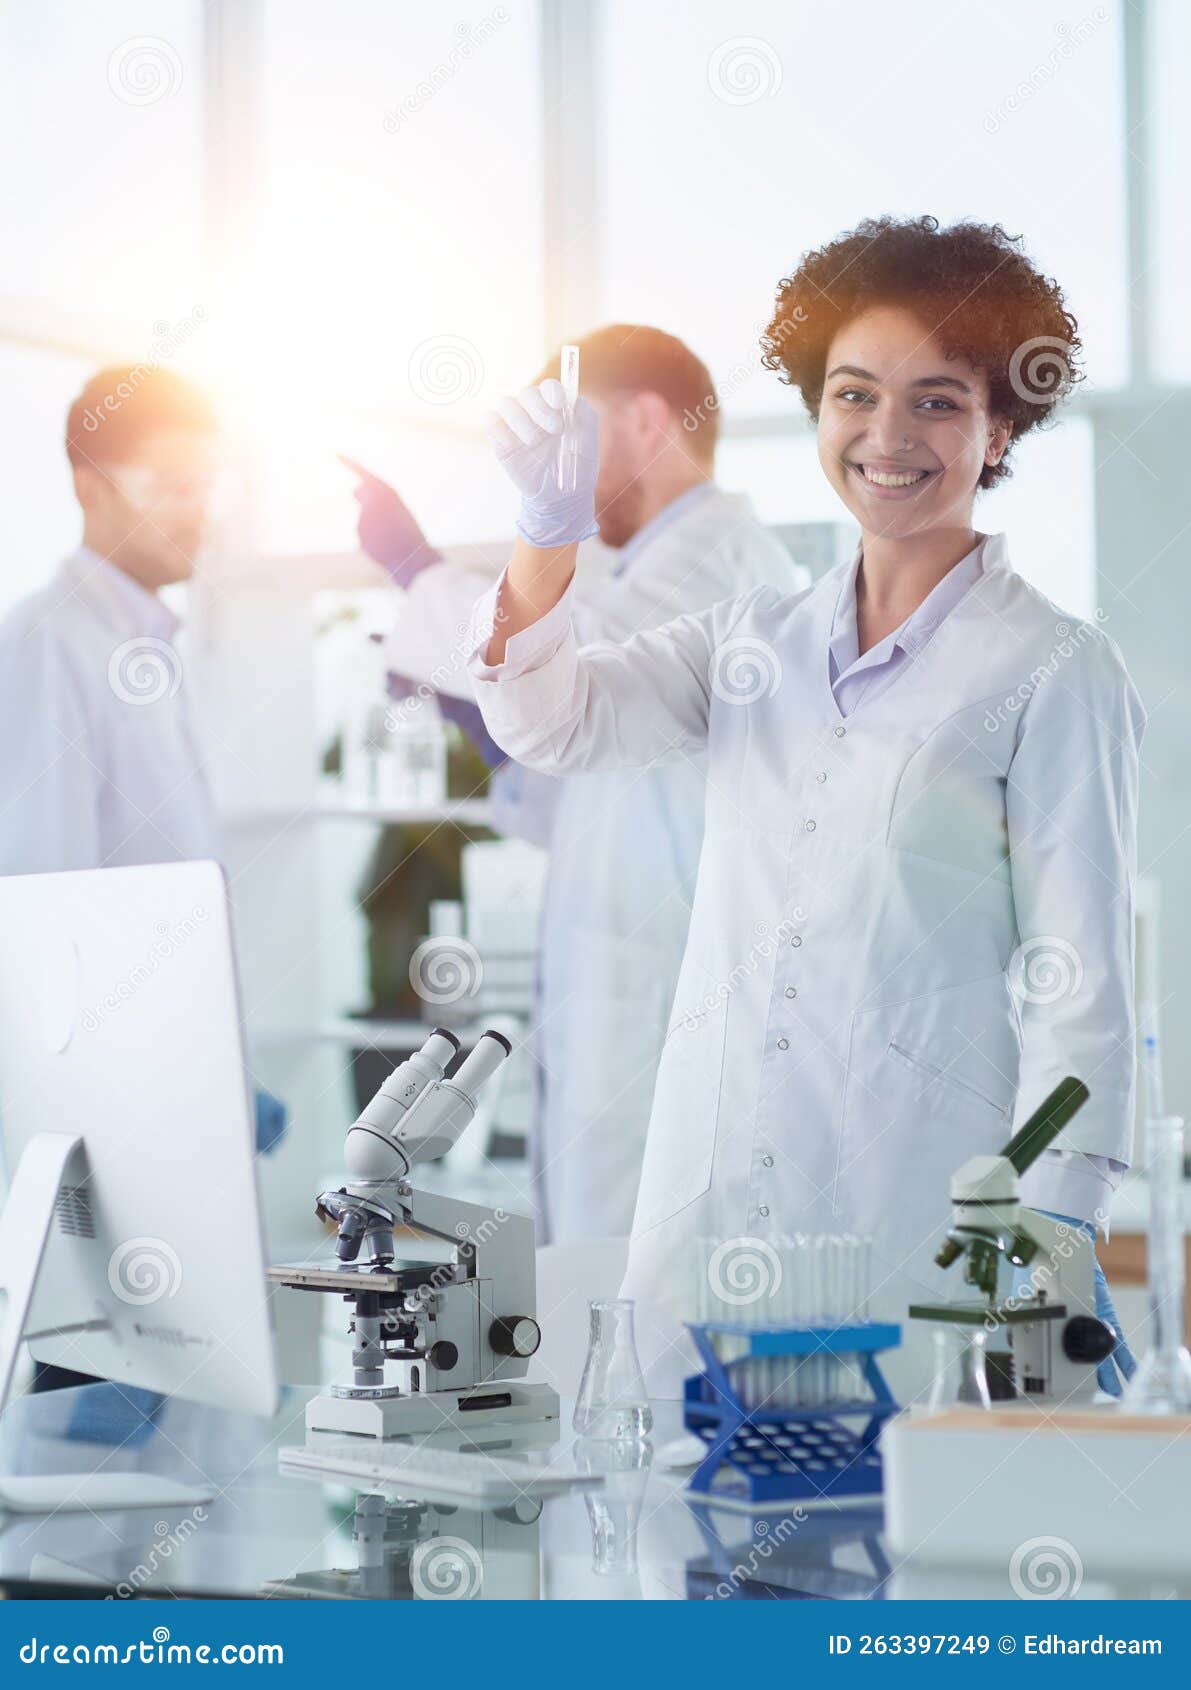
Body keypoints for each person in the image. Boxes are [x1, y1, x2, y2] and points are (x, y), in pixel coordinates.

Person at [466, 218, 1144, 1399]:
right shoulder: (753, 640)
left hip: (917, 1213)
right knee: (681, 1484)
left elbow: (1080, 988)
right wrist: (545, 536)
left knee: (898, 1495)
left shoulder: (1051, 665)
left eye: (937, 402)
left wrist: (1049, 1227)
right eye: (854, 394)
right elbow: (552, 719)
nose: (887, 435)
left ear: (1000, 429)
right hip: (708, 1204)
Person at [346, 326, 807, 1242]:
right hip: (626, 978)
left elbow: (582, 656)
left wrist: (416, 570)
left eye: (569, 432)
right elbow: (590, 760)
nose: (553, 469)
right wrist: (488, 724)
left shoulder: (717, 556)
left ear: (644, 420)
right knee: (601, 1260)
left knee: (643, 1269)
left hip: (664, 990)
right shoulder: (660, 564)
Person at [0, 365, 285, 1159]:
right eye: (168, 486)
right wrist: (81, 1105)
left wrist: (217, 1069)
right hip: (104, 1088)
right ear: (89, 488)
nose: (195, 511)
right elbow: (43, 897)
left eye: (204, 485)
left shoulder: (148, 643)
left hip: (173, 1064)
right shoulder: (48, 641)